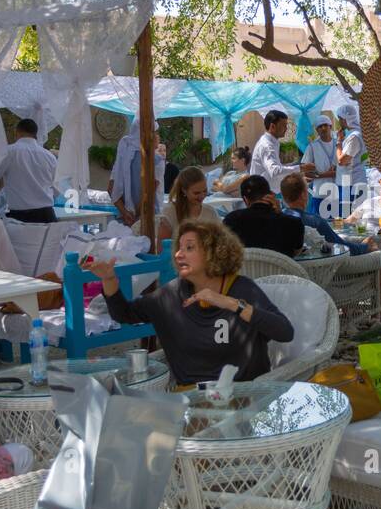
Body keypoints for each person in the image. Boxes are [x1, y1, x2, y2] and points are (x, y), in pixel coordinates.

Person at [85, 220, 294, 387]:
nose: (178, 254)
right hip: (190, 401)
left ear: (214, 252)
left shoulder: (242, 289)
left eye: (189, 247)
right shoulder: (171, 295)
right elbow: (124, 314)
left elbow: (285, 332)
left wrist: (232, 304)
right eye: (179, 248)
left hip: (242, 398)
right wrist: (109, 280)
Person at [0, 119, 58, 223]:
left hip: (21, 217)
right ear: (35, 134)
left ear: (17, 132)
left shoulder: (9, 152)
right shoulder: (49, 156)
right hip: (47, 215)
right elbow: (57, 187)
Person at [279, 172, 375, 255]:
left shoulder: (277, 219)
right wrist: (364, 247)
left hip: (287, 270)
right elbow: (341, 246)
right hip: (322, 269)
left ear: (284, 196)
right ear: (303, 195)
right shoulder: (315, 221)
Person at [222, 174, 305, 257]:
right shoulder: (293, 223)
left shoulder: (231, 220)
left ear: (245, 200)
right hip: (280, 269)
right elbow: (296, 253)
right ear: (271, 195)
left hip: (246, 269)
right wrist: (280, 213)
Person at [110, 116, 166, 227]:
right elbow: (149, 192)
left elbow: (111, 188)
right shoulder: (156, 160)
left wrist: (125, 213)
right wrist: (135, 215)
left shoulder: (123, 155)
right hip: (149, 217)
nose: (157, 136)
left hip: (125, 218)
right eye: (154, 132)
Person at [159, 166, 219, 242]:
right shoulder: (169, 212)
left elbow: (220, 243)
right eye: (196, 193)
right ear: (184, 190)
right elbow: (163, 249)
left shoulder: (211, 212)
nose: (202, 196)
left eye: (205, 191)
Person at [300, 114, 340, 214]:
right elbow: (305, 173)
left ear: (330, 126)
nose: (323, 128)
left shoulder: (339, 144)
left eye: (325, 125)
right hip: (320, 194)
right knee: (318, 225)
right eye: (320, 126)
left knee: (339, 226)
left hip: (338, 192)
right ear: (317, 130)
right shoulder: (312, 147)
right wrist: (326, 174)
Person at [250, 110, 298, 192]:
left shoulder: (273, 142)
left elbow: (277, 168)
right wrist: (300, 168)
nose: (286, 129)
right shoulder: (267, 145)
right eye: (284, 125)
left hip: (268, 191)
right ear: (272, 126)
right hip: (262, 193)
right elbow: (275, 171)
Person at [335, 103, 367, 217]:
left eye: (340, 119)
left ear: (345, 119)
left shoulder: (354, 137)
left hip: (351, 183)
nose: (339, 122)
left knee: (349, 218)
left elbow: (342, 161)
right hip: (351, 181)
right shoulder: (359, 134)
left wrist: (338, 143)